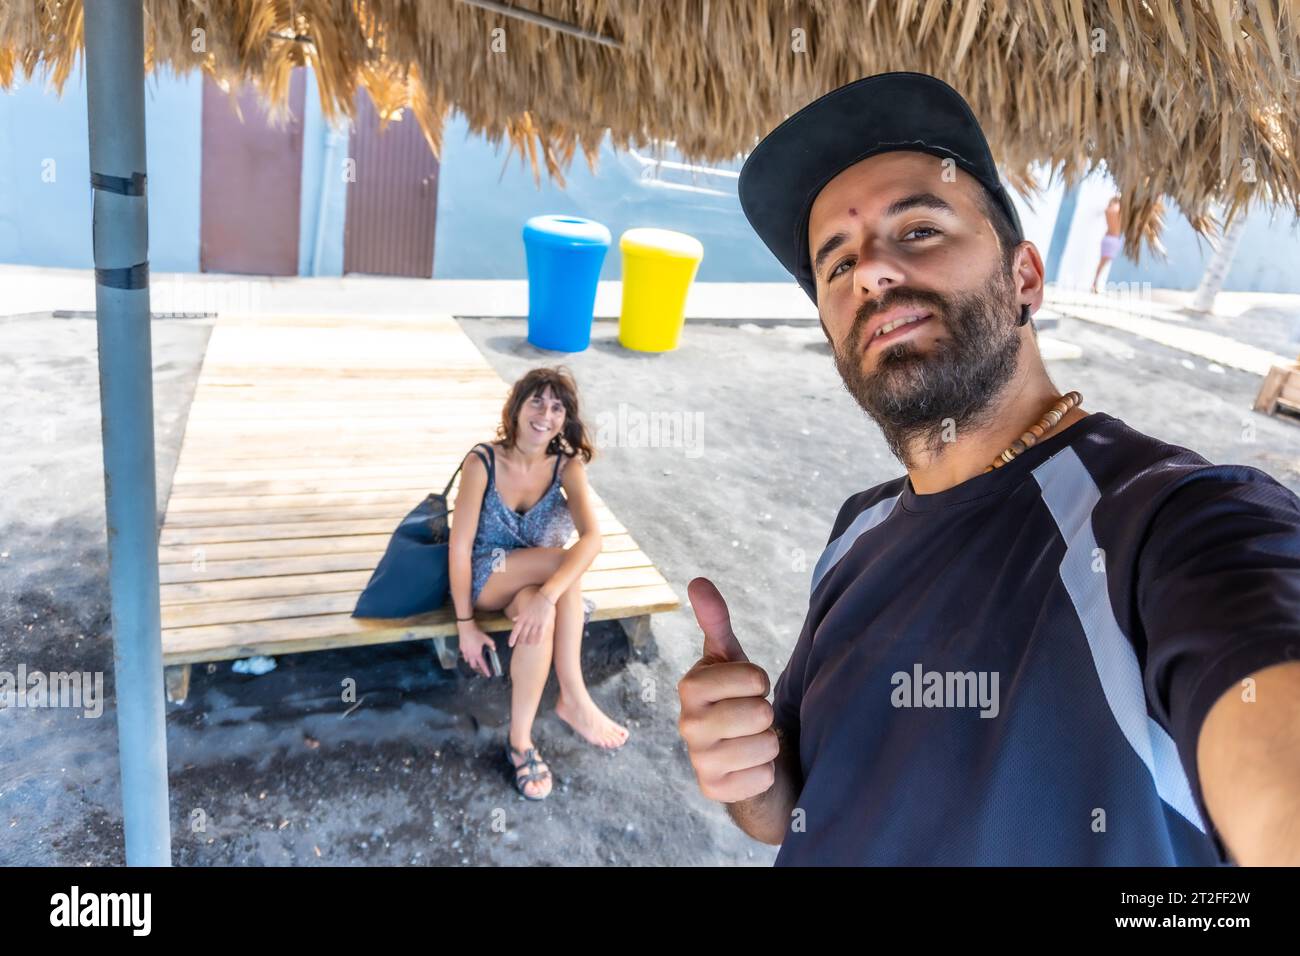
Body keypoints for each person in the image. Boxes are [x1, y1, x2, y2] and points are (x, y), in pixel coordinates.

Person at [677, 71, 1300, 865]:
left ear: (1025, 279)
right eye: (836, 266)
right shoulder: (856, 530)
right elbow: (794, 806)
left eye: (920, 231)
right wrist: (749, 779)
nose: (870, 271)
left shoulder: (1171, 523)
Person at [449, 366, 629, 801]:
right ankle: (573, 694)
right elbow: (458, 547)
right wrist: (465, 625)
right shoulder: (484, 461)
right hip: (487, 576)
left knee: (539, 616)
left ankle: (520, 741)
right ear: (515, 408)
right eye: (536, 401)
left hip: (533, 588)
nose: (545, 413)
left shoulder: (566, 466)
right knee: (564, 565)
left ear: (564, 419)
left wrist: (542, 600)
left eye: (556, 406)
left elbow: (594, 538)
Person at [1091, 194, 1123, 293]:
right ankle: (1095, 284)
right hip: (1113, 239)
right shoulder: (1119, 211)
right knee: (1103, 263)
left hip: (1107, 237)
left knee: (1102, 263)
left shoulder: (1108, 210)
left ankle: (1095, 283)